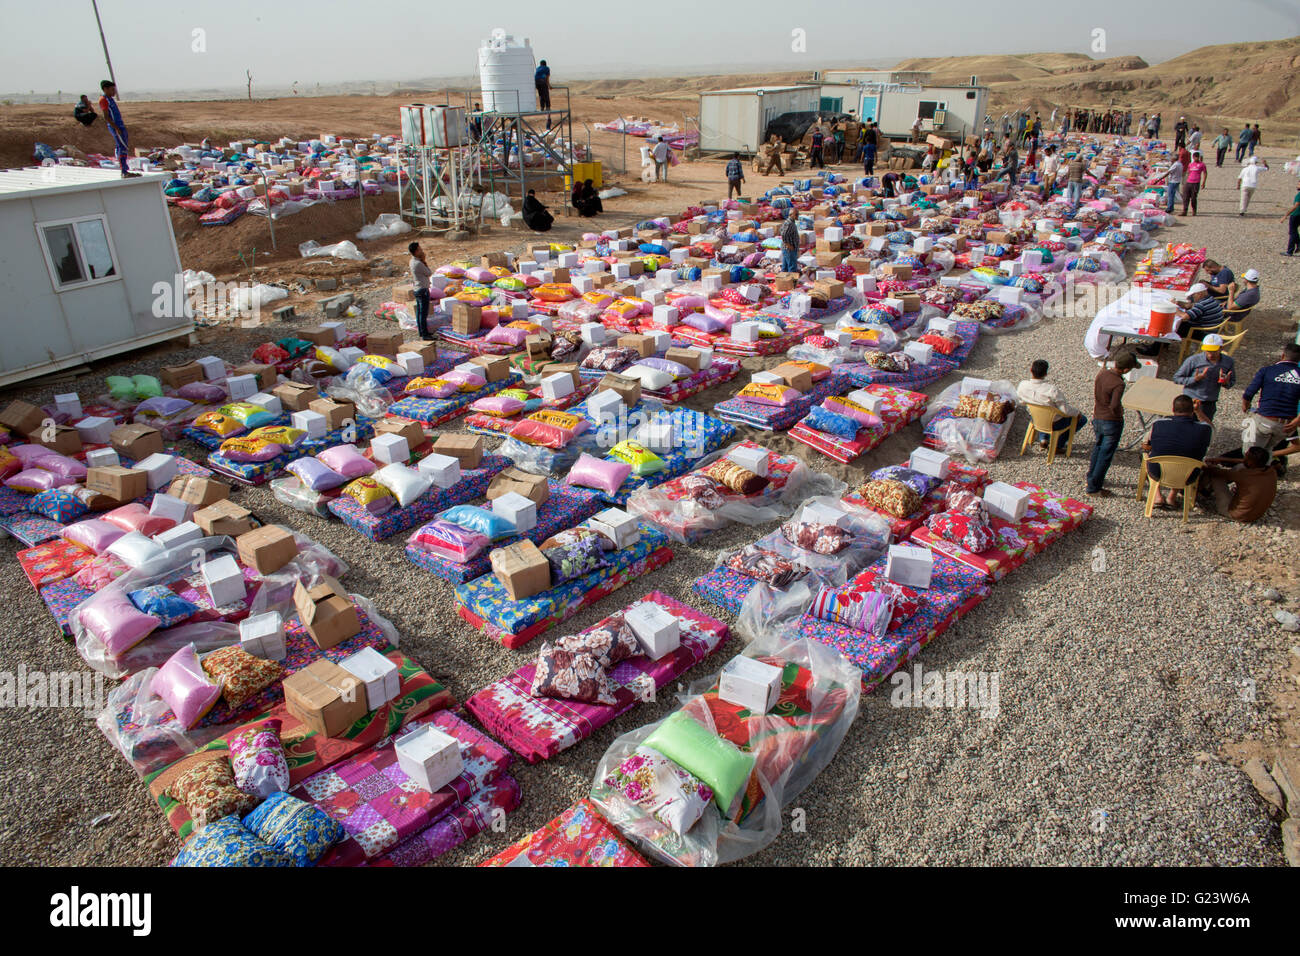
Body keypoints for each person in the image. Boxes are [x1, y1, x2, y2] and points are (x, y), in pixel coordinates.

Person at [1142, 395, 1213, 508]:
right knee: (1184, 456)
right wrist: (1199, 412)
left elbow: (1145, 443)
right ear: (1192, 411)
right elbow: (1211, 427)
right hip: (1188, 475)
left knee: (1149, 457)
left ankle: (1157, 496)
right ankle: (1171, 497)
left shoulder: (1158, 424)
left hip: (1158, 472)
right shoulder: (1205, 429)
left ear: (1172, 410)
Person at [1087, 349, 1141, 496]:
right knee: (1105, 455)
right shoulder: (1118, 383)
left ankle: (1092, 478)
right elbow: (1114, 405)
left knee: (1098, 449)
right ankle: (1094, 488)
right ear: (1126, 369)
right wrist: (1119, 414)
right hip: (1111, 421)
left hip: (1098, 416)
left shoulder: (1102, 373)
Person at [1240, 342, 1300, 457]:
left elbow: (1248, 394)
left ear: (1282, 355)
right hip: (1286, 427)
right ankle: (1266, 469)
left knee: (1250, 455)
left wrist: (1245, 406)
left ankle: (1249, 472)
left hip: (1265, 421)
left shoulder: (1267, 370)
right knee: (1265, 454)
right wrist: (1297, 421)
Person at [1017, 359, 1087, 452]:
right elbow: (1065, 410)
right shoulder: (1051, 390)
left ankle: (1043, 439)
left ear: (1031, 370)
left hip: (1035, 419)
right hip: (1054, 423)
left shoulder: (1023, 385)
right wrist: (1077, 413)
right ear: (1046, 373)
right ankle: (1058, 445)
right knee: (1082, 419)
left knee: (1041, 411)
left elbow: (1021, 401)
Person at [1201, 447, 1278, 522]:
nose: (1244, 458)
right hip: (1256, 514)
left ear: (1250, 462)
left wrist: (1208, 465)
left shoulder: (1244, 475)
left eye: (1246, 457)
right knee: (1240, 466)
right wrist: (1220, 459)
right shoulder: (1271, 471)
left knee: (1216, 477)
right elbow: (1243, 463)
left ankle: (1203, 490)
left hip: (1236, 515)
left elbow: (1215, 472)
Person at [1173, 333, 1235, 420]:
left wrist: (1225, 383)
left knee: (1204, 429)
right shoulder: (1193, 360)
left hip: (1209, 403)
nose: (1210, 355)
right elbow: (1177, 378)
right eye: (1208, 351)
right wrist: (1194, 379)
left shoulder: (1228, 362)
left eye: (1214, 351)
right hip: (1190, 402)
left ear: (1221, 348)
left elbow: (1232, 382)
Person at [98, 80, 136, 178]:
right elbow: (106, 117)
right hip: (116, 127)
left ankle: (125, 169)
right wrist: (116, 128)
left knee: (123, 147)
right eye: (112, 89)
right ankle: (124, 171)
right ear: (105, 89)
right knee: (122, 148)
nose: (114, 92)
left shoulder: (110, 99)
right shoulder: (104, 100)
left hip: (120, 125)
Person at [408, 241, 433, 340]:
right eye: (420, 249)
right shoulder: (418, 263)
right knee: (423, 313)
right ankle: (425, 334)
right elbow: (428, 272)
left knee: (419, 312)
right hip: (422, 289)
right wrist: (424, 261)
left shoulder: (412, 261)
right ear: (416, 251)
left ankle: (422, 332)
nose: (422, 251)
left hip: (417, 289)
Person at [1180, 150, 1207, 216]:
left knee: (1193, 197)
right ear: (1193, 157)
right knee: (1185, 197)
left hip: (1196, 183)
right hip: (1189, 182)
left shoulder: (1202, 164)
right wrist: (1185, 182)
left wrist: (1203, 182)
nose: (1196, 158)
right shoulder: (1190, 164)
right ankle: (1184, 211)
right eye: (1195, 157)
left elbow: (1205, 173)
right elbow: (1188, 173)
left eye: (1197, 157)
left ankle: (1194, 210)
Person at [780, 207, 800, 274]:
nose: (798, 216)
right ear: (791, 214)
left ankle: (783, 282)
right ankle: (791, 282)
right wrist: (788, 245)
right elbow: (784, 234)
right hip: (789, 249)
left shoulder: (791, 222)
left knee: (785, 268)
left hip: (789, 248)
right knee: (792, 267)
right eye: (796, 214)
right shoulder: (789, 223)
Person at [1286, 179, 1300, 257]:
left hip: (1295, 214)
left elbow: (1296, 205)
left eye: (1299, 184)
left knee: (1292, 232)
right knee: (1294, 231)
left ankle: (1289, 251)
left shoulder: (1299, 195)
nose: (1297, 186)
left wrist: (1286, 214)